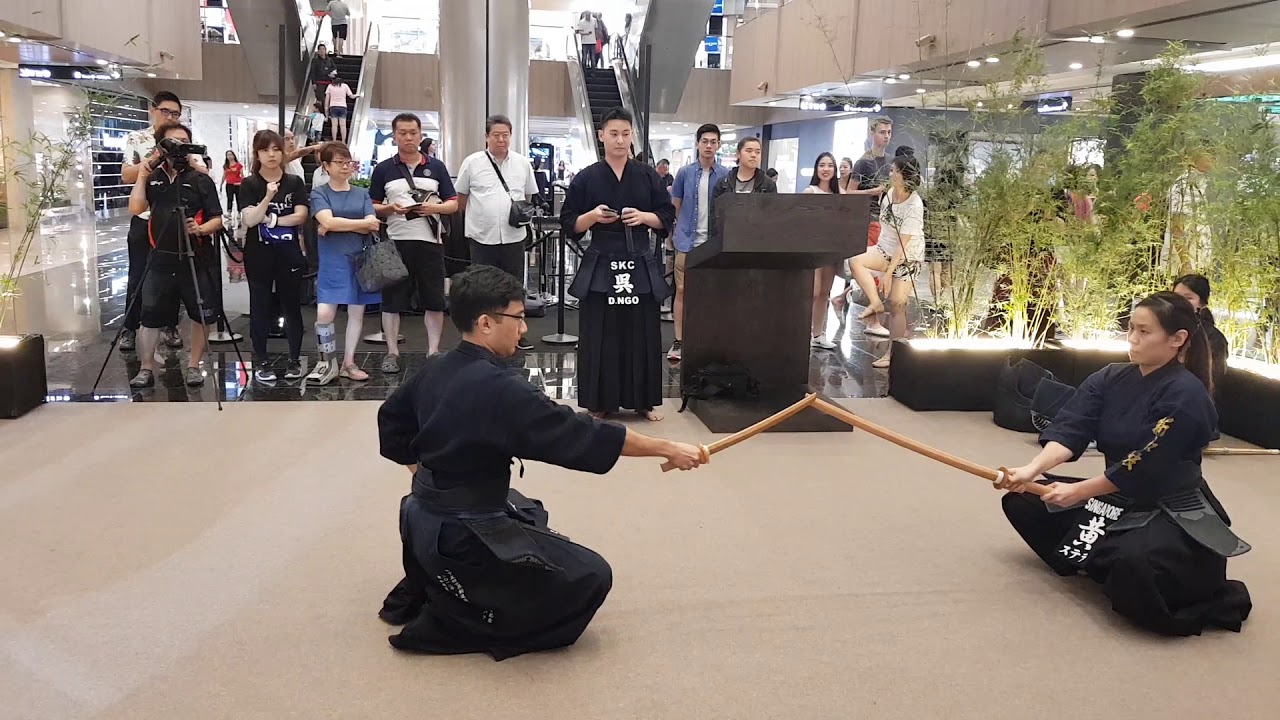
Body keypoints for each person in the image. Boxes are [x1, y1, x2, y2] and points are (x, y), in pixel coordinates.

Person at [376, 265, 705, 660]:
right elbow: (579, 432)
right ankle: (457, 622)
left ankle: (441, 578)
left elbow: (391, 420)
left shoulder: (436, 365)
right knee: (590, 577)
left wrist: (424, 479)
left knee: (529, 512)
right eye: (517, 318)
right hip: (456, 533)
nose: (524, 328)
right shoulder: (501, 389)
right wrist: (667, 448)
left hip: (419, 519)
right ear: (485, 323)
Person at [997, 291, 1252, 636]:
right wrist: (1032, 469)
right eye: (1131, 328)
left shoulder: (1187, 395)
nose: (1132, 339)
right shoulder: (1110, 377)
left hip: (1169, 504)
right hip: (1115, 494)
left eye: (1144, 332)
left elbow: (1146, 463)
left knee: (1135, 563)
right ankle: (1104, 557)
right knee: (1023, 499)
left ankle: (1116, 559)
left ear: (1177, 339)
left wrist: (1080, 492)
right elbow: (1073, 428)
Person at [560, 107, 675, 420]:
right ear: (601, 136)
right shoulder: (587, 177)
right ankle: (600, 402)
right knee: (600, 331)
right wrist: (593, 216)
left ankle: (643, 401)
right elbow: (569, 222)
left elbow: (666, 216)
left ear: (632, 136)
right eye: (614, 134)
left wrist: (644, 217)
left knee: (642, 331)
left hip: (639, 261)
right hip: (602, 261)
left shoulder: (648, 175)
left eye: (625, 134)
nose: (620, 140)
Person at [125, 122, 224, 389]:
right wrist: (142, 175)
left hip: (196, 257)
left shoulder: (200, 179)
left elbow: (217, 219)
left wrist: (200, 229)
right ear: (161, 146)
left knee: (200, 314)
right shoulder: (154, 177)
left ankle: (194, 365)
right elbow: (136, 208)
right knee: (149, 315)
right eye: (174, 142)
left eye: (184, 141)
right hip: (160, 257)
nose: (180, 147)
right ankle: (146, 368)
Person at [118, 91, 208, 353]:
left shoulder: (184, 140)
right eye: (165, 111)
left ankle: (170, 326)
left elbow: (202, 171)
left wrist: (184, 156)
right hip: (145, 217)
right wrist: (157, 157)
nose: (170, 117)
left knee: (174, 276)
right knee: (138, 274)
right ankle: (129, 327)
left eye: (175, 113)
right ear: (153, 110)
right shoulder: (138, 139)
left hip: (175, 219)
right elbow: (126, 174)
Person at [370, 113, 458, 365]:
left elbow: (453, 204)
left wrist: (433, 209)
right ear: (394, 136)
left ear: (420, 135)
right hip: (396, 243)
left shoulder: (437, 167)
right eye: (402, 133)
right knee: (392, 300)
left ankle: (433, 351)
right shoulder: (384, 169)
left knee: (434, 299)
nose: (408, 137)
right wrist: (390, 209)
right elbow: (372, 205)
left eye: (413, 133)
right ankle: (392, 352)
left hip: (431, 242)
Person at [455, 114, 539, 352]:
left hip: (514, 236)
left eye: (505, 135)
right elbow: (461, 198)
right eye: (496, 135)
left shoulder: (522, 163)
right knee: (481, 287)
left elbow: (528, 196)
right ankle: (480, 334)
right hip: (482, 236)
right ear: (486, 137)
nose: (501, 140)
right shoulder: (472, 162)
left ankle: (516, 333)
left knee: (514, 287)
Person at [239, 130, 310, 383]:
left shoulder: (294, 182)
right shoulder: (249, 184)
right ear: (257, 154)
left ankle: (294, 359)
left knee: (291, 306)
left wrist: (272, 220)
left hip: (289, 253)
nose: (271, 155)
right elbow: (250, 219)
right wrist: (268, 197)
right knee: (259, 306)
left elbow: (300, 215)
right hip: (258, 254)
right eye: (265, 150)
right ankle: (262, 360)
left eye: (276, 149)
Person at [308, 142, 382, 384]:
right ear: (326, 166)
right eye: (339, 162)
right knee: (324, 314)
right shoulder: (319, 193)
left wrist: (335, 225)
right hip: (332, 261)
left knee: (356, 312)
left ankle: (348, 362)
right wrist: (356, 224)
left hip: (359, 260)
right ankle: (326, 361)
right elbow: (327, 221)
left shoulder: (362, 193)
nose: (345, 167)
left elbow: (373, 223)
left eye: (348, 162)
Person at [846, 153, 924, 368]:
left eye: (894, 171)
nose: (890, 174)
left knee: (897, 304)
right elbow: (886, 228)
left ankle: (892, 354)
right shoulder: (889, 194)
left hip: (908, 257)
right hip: (885, 248)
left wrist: (888, 273)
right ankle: (875, 303)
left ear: (904, 175)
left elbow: (903, 245)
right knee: (855, 260)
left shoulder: (915, 204)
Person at [668, 124, 728, 362]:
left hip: (713, 242)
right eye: (705, 141)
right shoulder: (685, 173)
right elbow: (676, 205)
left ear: (718, 145)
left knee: (711, 292)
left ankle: (707, 340)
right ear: (697, 144)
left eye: (713, 142)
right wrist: (677, 232)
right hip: (686, 240)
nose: (709, 146)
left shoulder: (725, 175)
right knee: (682, 290)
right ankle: (679, 340)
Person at [805, 152, 843, 350]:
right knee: (812, 291)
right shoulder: (810, 191)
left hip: (831, 248)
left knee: (824, 293)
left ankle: (818, 334)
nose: (826, 169)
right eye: (822, 165)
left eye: (830, 165)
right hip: (811, 247)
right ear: (816, 169)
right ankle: (803, 331)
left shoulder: (839, 195)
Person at [1172, 273, 1229, 394]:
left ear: (1202, 303)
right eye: (1176, 297)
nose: (1180, 302)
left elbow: (1213, 379)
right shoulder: (1167, 326)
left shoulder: (1214, 337)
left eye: (1188, 298)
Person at [849, 116, 894, 248]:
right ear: (872, 133)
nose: (886, 136)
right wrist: (872, 191)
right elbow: (849, 192)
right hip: (869, 217)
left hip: (888, 218)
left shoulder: (891, 161)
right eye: (882, 132)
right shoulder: (863, 162)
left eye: (889, 132)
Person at [325, 78, 356, 144]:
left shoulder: (330, 86)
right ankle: (343, 141)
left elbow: (327, 99)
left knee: (334, 125)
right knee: (343, 125)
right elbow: (351, 96)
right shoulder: (345, 86)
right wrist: (358, 95)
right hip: (343, 107)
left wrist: (326, 108)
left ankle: (334, 140)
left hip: (333, 106)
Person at [222, 150, 244, 220]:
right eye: (228, 155)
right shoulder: (226, 166)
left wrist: (242, 183)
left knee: (238, 198)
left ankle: (239, 213)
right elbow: (224, 175)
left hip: (237, 184)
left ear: (234, 156)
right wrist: (221, 183)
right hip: (229, 184)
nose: (229, 156)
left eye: (230, 154)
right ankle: (229, 213)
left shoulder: (238, 165)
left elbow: (242, 175)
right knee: (229, 198)